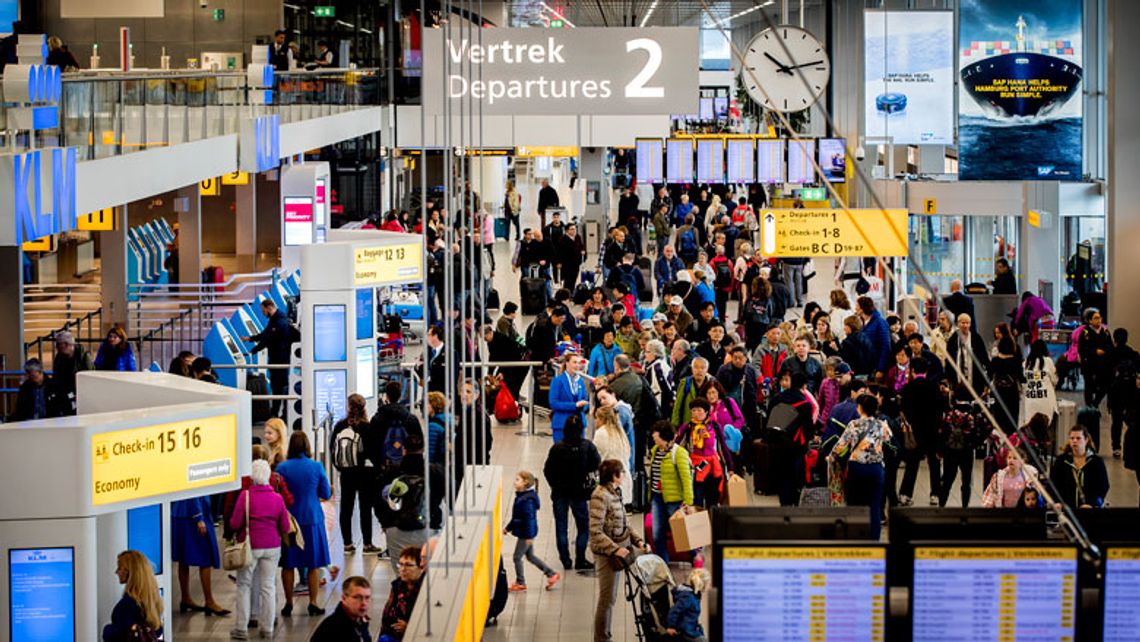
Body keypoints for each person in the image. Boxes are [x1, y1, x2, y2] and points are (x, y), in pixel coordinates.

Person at [229, 460, 291, 640]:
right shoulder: (277, 498)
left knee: (244, 585)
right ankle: (267, 628)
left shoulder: (245, 496)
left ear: (252, 477)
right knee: (268, 586)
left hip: (250, 546)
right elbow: (285, 527)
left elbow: (234, 523)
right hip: (272, 546)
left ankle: (241, 628)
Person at [277, 431, 333, 617]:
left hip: (290, 520)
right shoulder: (316, 466)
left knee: (288, 563)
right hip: (312, 519)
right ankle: (313, 602)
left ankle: (288, 603)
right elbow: (325, 493)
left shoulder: (282, 468)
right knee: (313, 563)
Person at [589, 459, 645, 642]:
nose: (624, 475)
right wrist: (614, 550)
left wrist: (638, 541)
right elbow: (595, 531)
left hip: (619, 550)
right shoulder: (600, 496)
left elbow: (624, 524)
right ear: (614, 476)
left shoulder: (616, 492)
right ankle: (601, 638)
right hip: (607, 555)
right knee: (607, 599)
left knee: (610, 598)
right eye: (622, 472)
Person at [830, 394, 892, 540]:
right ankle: (874, 539)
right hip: (876, 469)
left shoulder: (853, 424)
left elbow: (841, 445)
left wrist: (831, 456)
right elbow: (888, 438)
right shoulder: (881, 424)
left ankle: (856, 537)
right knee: (875, 506)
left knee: (855, 505)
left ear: (860, 408)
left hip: (856, 468)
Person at [544, 415, 601, 570]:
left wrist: (554, 486)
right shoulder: (587, 447)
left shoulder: (557, 448)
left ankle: (565, 560)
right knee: (583, 527)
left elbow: (548, 470)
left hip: (559, 494)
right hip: (580, 494)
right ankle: (580, 559)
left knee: (561, 527)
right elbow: (597, 466)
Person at [330, 394, 374, 554]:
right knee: (365, 508)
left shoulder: (340, 426)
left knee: (346, 508)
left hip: (346, 472)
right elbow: (372, 451)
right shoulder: (367, 427)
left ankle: (347, 544)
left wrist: (341, 467)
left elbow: (332, 449)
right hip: (364, 472)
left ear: (348, 407)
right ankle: (367, 544)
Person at [898, 358, 945, 506]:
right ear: (926, 371)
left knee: (912, 463)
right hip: (932, 431)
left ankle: (905, 494)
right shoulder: (934, 387)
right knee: (934, 463)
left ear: (912, 371)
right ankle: (935, 494)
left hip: (915, 431)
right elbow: (941, 409)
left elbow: (903, 409)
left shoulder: (908, 388)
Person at [171, 495, 229, 615]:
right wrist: (198, 517)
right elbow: (192, 491)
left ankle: (186, 598)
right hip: (194, 515)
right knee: (205, 558)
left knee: (183, 558)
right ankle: (209, 601)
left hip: (181, 513)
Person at [505, 470, 562, 592]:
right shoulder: (522, 497)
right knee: (530, 556)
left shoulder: (526, 500)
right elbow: (516, 518)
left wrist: (529, 537)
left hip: (526, 534)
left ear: (525, 483)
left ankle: (521, 582)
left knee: (517, 557)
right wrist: (507, 528)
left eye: (517, 480)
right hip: (526, 533)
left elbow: (529, 519)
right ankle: (551, 574)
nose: (515, 482)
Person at [244, 298, 297, 417]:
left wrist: (253, 351)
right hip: (279, 358)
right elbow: (265, 334)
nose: (263, 314)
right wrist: (250, 338)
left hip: (280, 359)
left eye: (263, 311)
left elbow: (267, 339)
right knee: (279, 386)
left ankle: (277, 413)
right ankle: (278, 412)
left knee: (278, 386)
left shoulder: (279, 322)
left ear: (269, 308)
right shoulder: (277, 319)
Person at [675, 399, 730, 508]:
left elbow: (722, 447)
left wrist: (730, 466)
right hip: (696, 467)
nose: (696, 413)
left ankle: (712, 516)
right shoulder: (688, 427)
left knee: (713, 500)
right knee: (697, 499)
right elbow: (679, 446)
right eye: (693, 410)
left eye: (699, 410)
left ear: (706, 412)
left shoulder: (714, 426)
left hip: (713, 467)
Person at [937, 385, 986, 507]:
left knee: (947, 480)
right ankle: (965, 507)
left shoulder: (950, 413)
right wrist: (974, 444)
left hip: (950, 451)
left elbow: (942, 432)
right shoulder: (974, 414)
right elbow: (981, 432)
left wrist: (940, 450)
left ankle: (941, 506)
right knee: (966, 482)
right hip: (967, 451)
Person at [102, 550, 163, 642]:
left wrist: (107, 630)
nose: (116, 572)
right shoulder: (151, 599)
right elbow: (157, 630)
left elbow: (119, 635)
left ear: (129, 572)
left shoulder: (127, 605)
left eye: (119, 568)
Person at [1050, 426, 1109, 509]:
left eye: (1078, 438)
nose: (1074, 441)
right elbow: (1053, 483)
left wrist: (1092, 503)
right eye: (1072, 438)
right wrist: (1057, 501)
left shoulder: (1096, 462)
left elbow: (1103, 486)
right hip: (1066, 508)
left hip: (1088, 508)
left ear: (1086, 440)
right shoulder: (1061, 461)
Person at [309, 576, 372, 642]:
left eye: (367, 598)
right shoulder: (333, 629)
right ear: (344, 598)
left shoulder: (360, 621)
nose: (364, 603)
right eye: (357, 597)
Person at [379, 547, 424, 640]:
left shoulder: (425, 590)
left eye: (408, 565)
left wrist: (409, 628)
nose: (402, 569)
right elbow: (386, 615)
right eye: (400, 564)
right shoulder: (397, 585)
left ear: (421, 568)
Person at [1109, 329, 1139, 458]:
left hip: (1115, 391)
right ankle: (1132, 447)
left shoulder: (1111, 354)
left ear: (1114, 339)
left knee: (1117, 421)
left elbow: (1106, 374)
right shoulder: (1133, 354)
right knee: (1132, 420)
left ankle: (1116, 447)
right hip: (1131, 391)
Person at [945, 313, 990, 398]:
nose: (965, 325)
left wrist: (987, 380)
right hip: (958, 381)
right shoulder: (953, 339)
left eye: (967, 323)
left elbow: (984, 358)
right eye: (963, 323)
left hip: (975, 380)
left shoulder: (976, 338)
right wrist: (949, 379)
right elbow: (948, 360)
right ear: (958, 324)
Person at [593, 406, 633, 499]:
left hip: (609, 481)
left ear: (602, 419)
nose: (595, 421)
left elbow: (596, 457)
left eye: (596, 418)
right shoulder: (620, 433)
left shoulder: (601, 433)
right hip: (623, 478)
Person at [989, 336, 1026, 434]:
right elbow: (1021, 378)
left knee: (999, 419)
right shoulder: (1016, 361)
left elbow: (989, 375)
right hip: (1012, 393)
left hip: (998, 392)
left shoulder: (995, 360)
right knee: (1012, 421)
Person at [1078, 307, 1114, 409]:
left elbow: (1110, 346)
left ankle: (1095, 403)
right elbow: (1082, 348)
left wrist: (1105, 351)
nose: (1099, 320)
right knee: (1089, 386)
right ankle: (1089, 407)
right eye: (1096, 318)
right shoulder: (1085, 332)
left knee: (1105, 386)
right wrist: (1094, 351)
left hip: (1103, 364)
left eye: (1100, 318)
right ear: (1090, 321)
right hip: (1089, 363)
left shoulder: (1105, 332)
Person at [550, 353, 590, 442]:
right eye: (574, 362)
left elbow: (585, 400)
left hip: (579, 424)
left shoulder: (580, 381)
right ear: (567, 363)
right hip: (562, 424)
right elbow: (553, 403)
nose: (577, 365)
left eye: (579, 363)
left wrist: (583, 406)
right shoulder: (557, 381)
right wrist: (574, 405)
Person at [52, 330, 92, 413]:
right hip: (65, 396)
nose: (57, 347)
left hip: (81, 395)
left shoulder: (84, 357)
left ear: (67, 344)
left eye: (59, 344)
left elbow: (90, 378)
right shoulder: (59, 358)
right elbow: (57, 378)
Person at [665, 569, 709, 642]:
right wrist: (671, 627)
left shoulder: (694, 594)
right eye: (707, 584)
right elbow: (674, 611)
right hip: (686, 630)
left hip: (691, 626)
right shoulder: (688, 597)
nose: (708, 586)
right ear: (702, 584)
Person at [672, 357, 712, 426]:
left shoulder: (711, 384)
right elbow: (677, 407)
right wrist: (675, 425)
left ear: (707, 370)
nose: (699, 370)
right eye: (696, 367)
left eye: (702, 368)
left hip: (707, 426)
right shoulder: (685, 383)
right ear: (692, 369)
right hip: (688, 424)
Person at [557, 222, 587, 290]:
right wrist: (558, 262)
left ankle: (571, 293)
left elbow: (581, 246)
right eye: (572, 229)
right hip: (567, 264)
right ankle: (567, 293)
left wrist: (583, 251)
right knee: (568, 281)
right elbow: (559, 252)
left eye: (575, 229)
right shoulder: (562, 239)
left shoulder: (577, 237)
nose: (574, 231)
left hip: (576, 263)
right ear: (567, 230)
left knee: (574, 279)